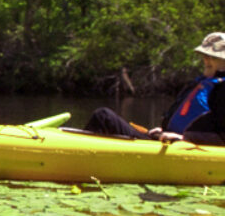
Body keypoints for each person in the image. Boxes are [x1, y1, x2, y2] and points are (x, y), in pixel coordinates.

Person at [84, 32, 225, 144]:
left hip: (182, 147)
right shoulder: (205, 83)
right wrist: (164, 130)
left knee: (103, 115)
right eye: (205, 56)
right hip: (166, 141)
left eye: (212, 56)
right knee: (104, 117)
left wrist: (184, 138)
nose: (206, 60)